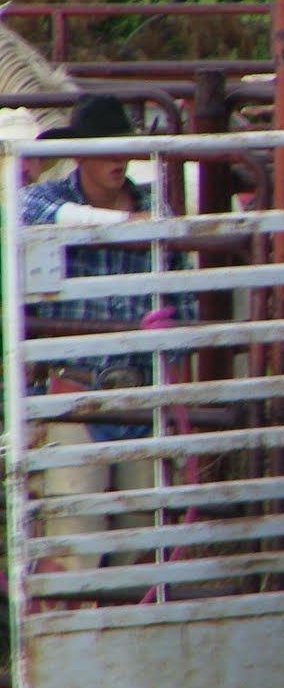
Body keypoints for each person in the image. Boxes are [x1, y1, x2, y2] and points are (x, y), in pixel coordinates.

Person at [20, 93, 195, 569]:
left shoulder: (153, 210)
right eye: (105, 148)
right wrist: (123, 224)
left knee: (140, 539)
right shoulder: (51, 202)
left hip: (138, 394)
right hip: (74, 390)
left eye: (122, 147)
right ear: (80, 155)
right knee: (77, 534)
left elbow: (182, 305)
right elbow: (26, 210)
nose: (119, 158)